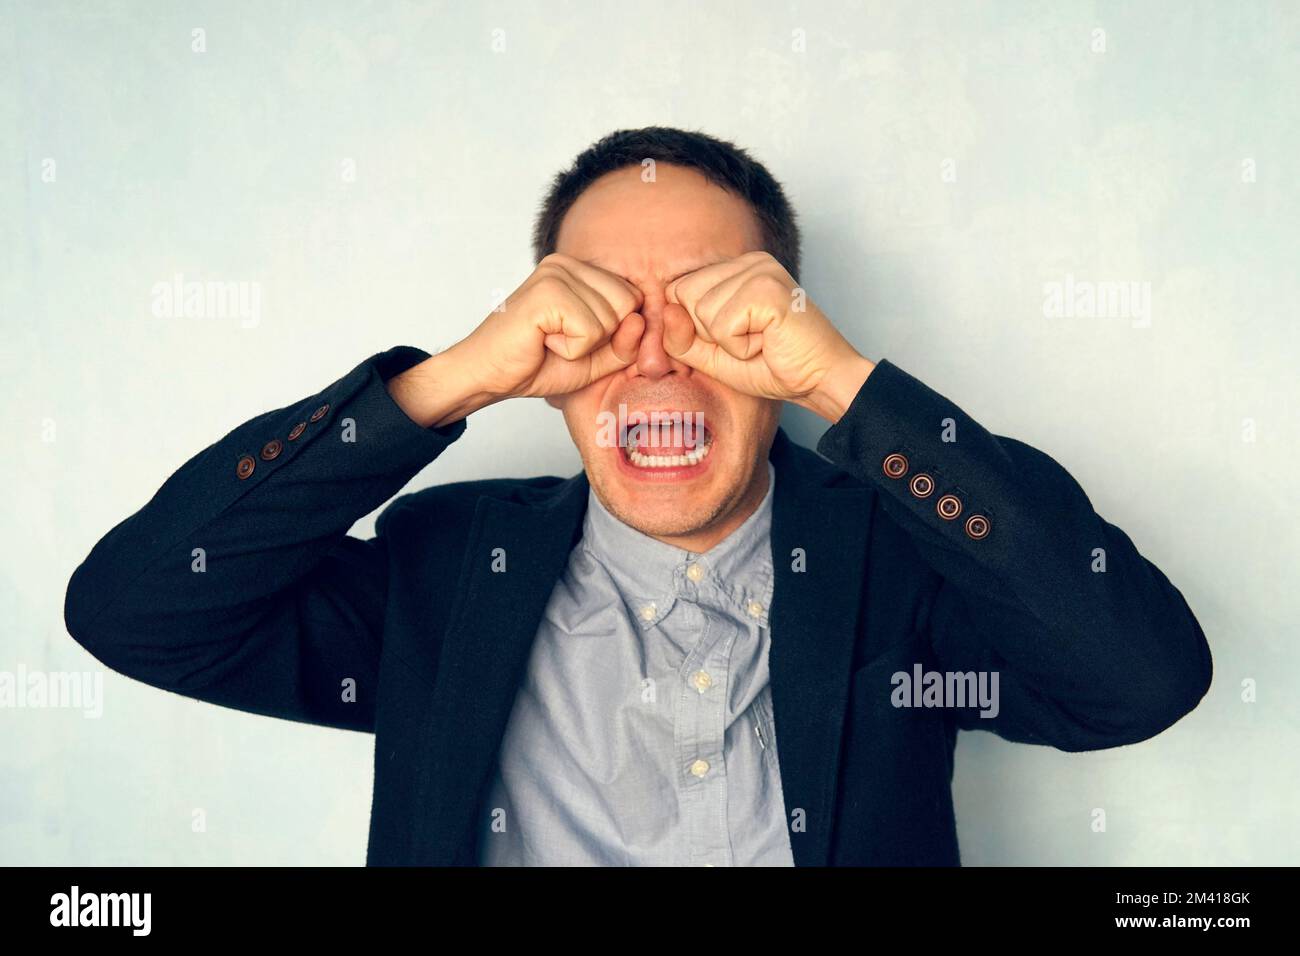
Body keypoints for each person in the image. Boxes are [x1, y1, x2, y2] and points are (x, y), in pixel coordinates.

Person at [64, 127, 1212, 866]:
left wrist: (847, 384)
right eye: (605, 308)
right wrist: (446, 380)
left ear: (784, 334)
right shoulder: (442, 575)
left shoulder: (900, 563)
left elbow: (1141, 678)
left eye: (713, 312)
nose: (657, 359)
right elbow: (135, 607)